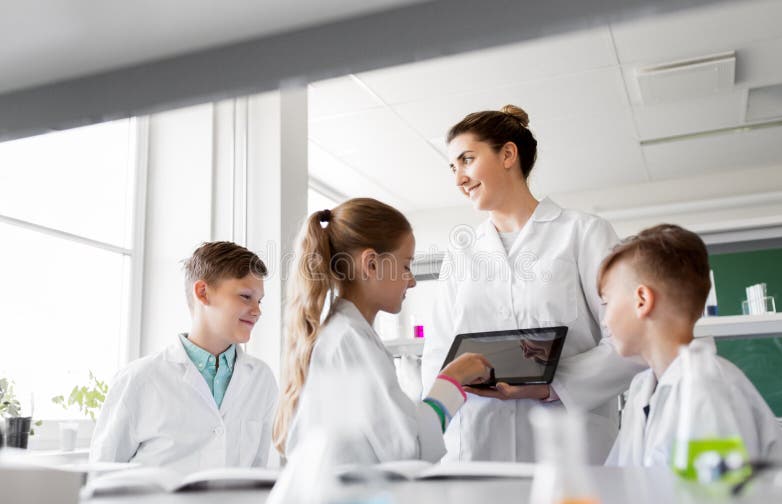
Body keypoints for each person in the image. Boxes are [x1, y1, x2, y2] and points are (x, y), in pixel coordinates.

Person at [421, 105, 644, 463]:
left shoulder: (583, 234)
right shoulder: (461, 252)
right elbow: (437, 354)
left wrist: (551, 385)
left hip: (568, 447)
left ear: (508, 154)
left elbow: (630, 339)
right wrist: (432, 430)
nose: (458, 178)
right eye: (453, 167)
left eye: (467, 160)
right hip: (477, 445)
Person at [272, 198, 492, 464]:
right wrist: (452, 378)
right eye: (406, 266)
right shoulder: (349, 339)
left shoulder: (346, 334)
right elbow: (409, 450)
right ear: (372, 264)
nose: (411, 281)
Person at [599, 224, 782, 466]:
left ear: (642, 300)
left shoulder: (707, 388)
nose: (604, 320)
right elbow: (619, 478)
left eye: (606, 302)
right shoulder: (642, 388)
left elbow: (717, 495)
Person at [90, 242, 279, 472]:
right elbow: (101, 475)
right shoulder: (139, 379)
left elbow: (261, 472)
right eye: (246, 296)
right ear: (203, 292)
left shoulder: (262, 379)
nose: (257, 310)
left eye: (259, 301)